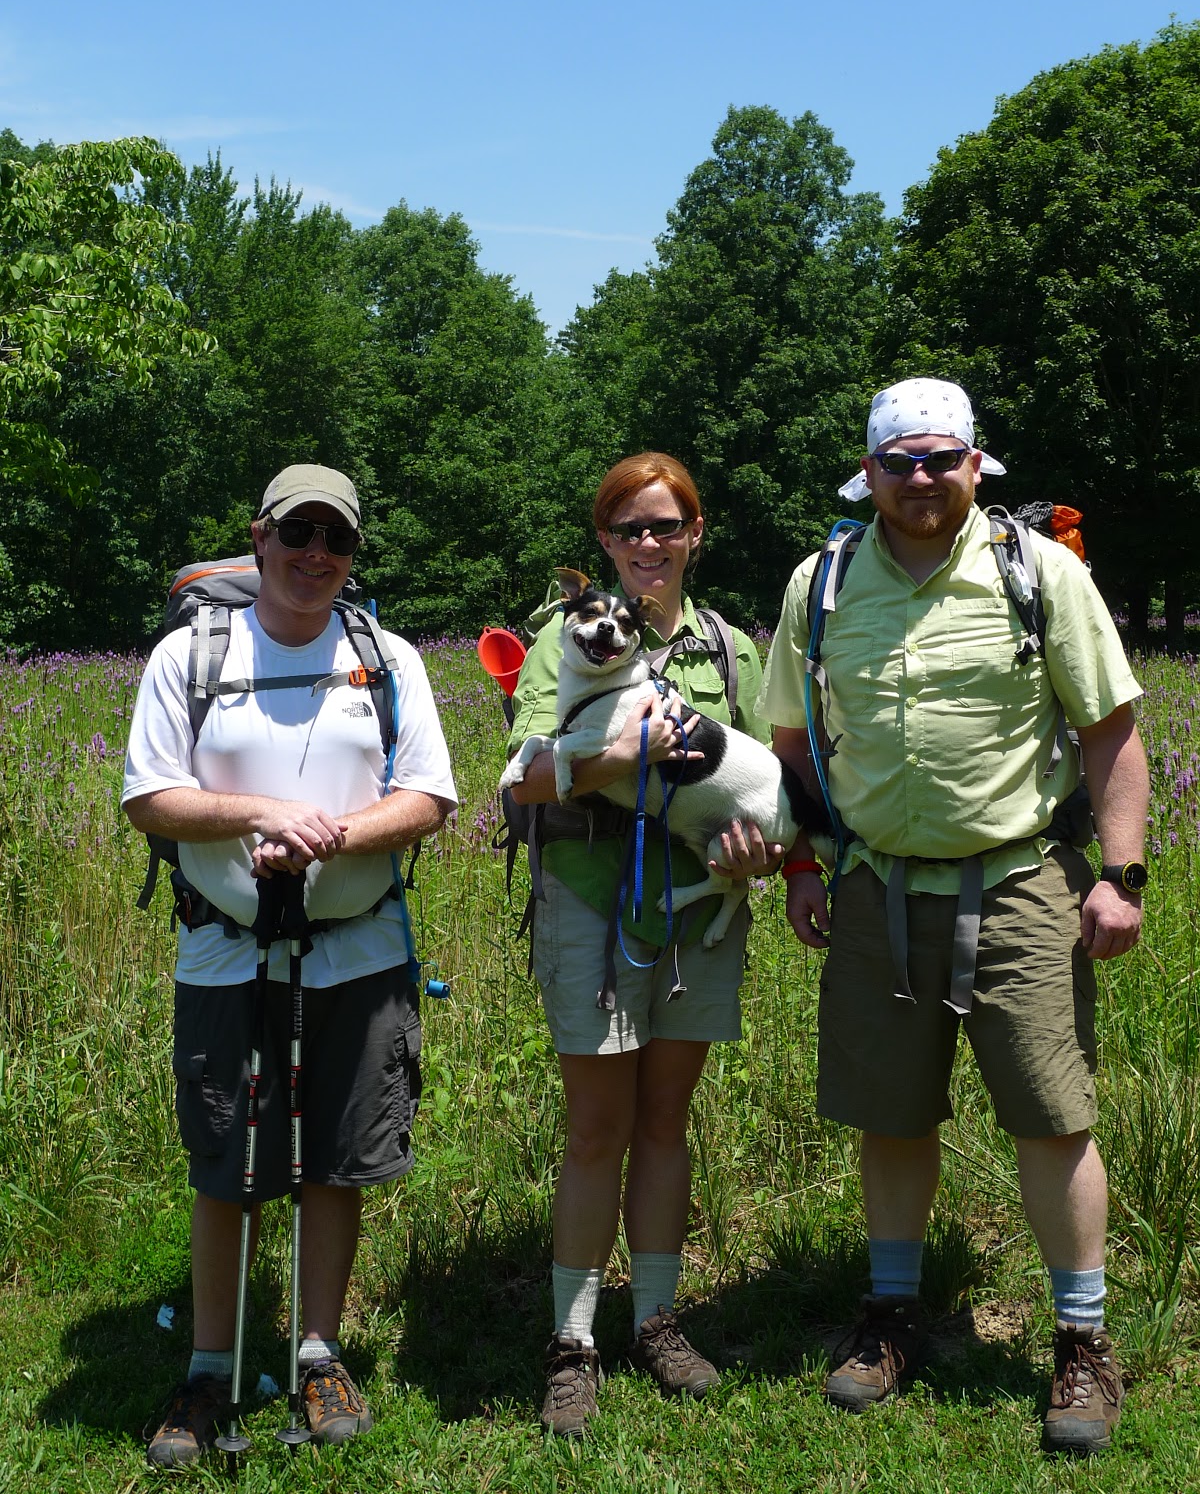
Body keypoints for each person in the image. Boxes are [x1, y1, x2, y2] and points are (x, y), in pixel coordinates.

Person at [759, 379, 1148, 1455]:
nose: (922, 479)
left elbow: (1111, 733)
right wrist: (802, 859)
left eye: (942, 459)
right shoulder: (822, 582)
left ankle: (1081, 1338)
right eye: (901, 462)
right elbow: (790, 742)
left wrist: (1123, 876)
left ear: (978, 464)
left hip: (1024, 883)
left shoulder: (1041, 571)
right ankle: (892, 1316)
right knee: (893, 1110)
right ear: (868, 474)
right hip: (876, 884)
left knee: (1052, 1114)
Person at [123, 465, 457, 1467]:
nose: (318, 554)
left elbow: (430, 796)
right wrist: (266, 816)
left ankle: (318, 1351)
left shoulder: (387, 656)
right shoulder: (191, 653)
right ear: (259, 537)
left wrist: (335, 837)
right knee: (225, 1161)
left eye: (338, 539)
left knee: (337, 1158)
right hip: (227, 952)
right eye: (300, 532)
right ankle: (207, 1368)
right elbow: (150, 796)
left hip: (356, 951)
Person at [507, 452, 779, 1435]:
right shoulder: (560, 640)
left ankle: (655, 1320)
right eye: (629, 530)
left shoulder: (727, 646)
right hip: (589, 895)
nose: (649, 545)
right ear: (605, 545)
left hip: (701, 906)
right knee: (596, 1127)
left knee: (667, 1119)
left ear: (696, 533)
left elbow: (760, 776)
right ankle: (572, 1341)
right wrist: (628, 753)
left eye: (667, 526)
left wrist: (764, 857)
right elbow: (526, 780)